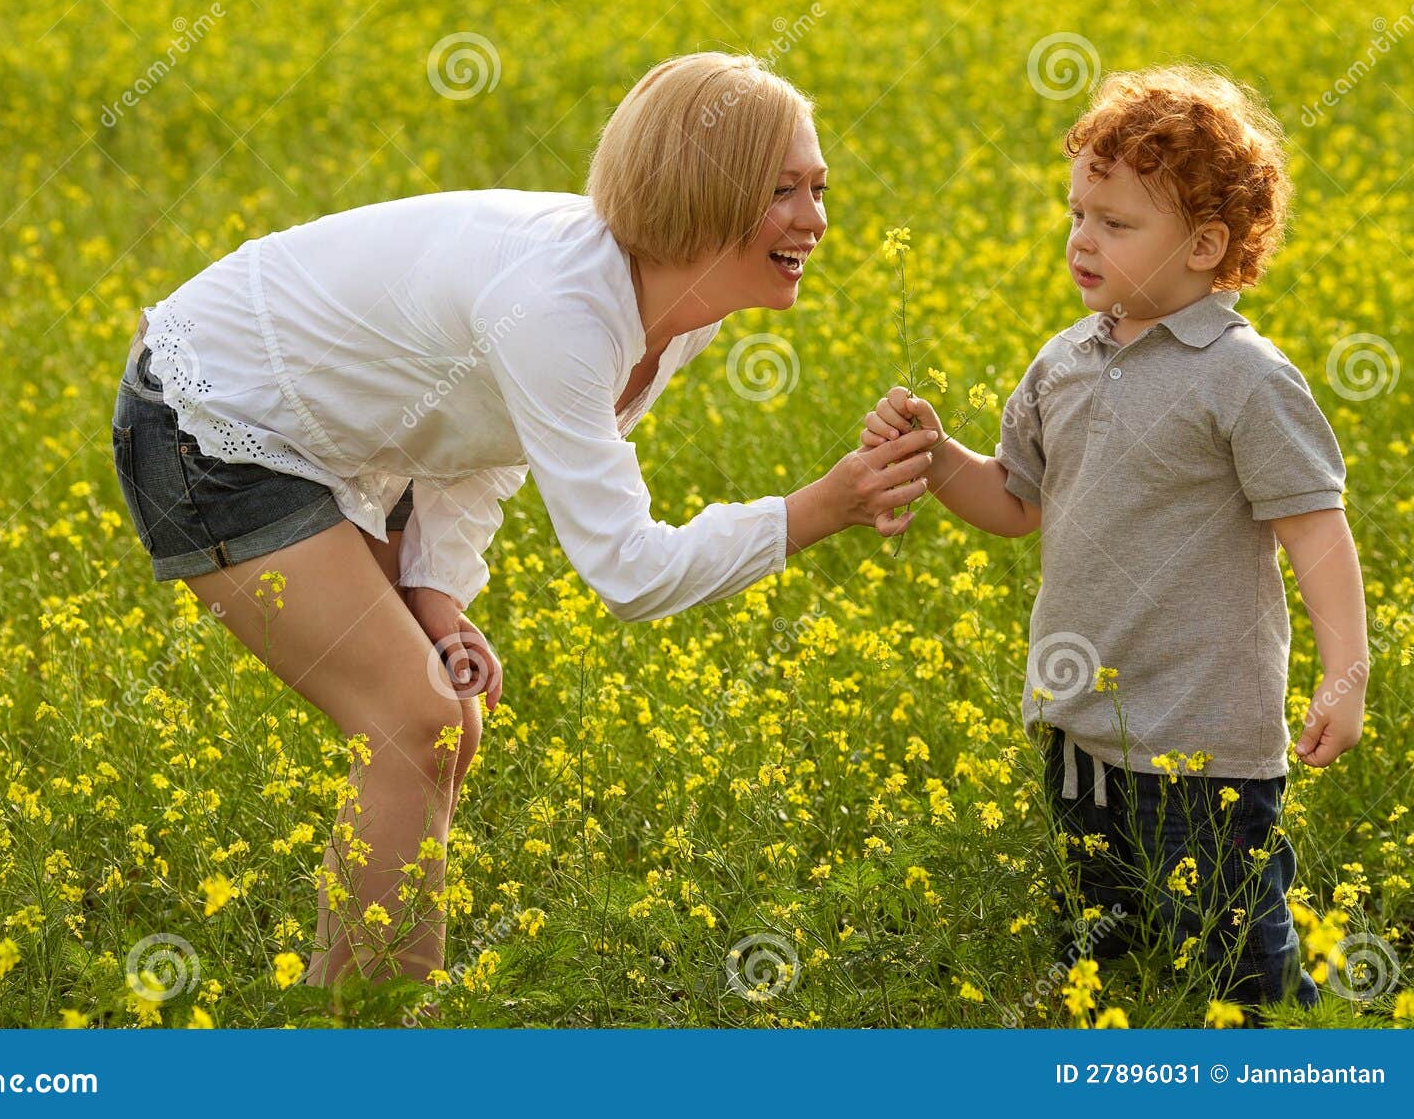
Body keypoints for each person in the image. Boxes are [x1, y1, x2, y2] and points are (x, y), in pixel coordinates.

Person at [110, 51, 939, 989]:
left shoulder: (681, 305)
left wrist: (435, 590)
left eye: (819, 188)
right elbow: (630, 572)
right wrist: (820, 507)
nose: (815, 219)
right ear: (704, 193)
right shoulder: (563, 305)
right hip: (211, 419)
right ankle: (375, 1041)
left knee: (446, 720)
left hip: (341, 434)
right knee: (412, 719)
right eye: (783, 190)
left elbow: (487, 438)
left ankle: (364, 1019)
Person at [863, 65, 1366, 1010]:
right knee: (1103, 941)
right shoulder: (1065, 358)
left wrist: (1347, 673)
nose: (1081, 239)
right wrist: (936, 457)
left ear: (1205, 246)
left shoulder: (1243, 377)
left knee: (1231, 956)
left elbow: (1315, 530)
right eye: (1076, 213)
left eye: (1116, 222)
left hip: (1204, 742)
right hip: (1079, 725)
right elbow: (1017, 501)